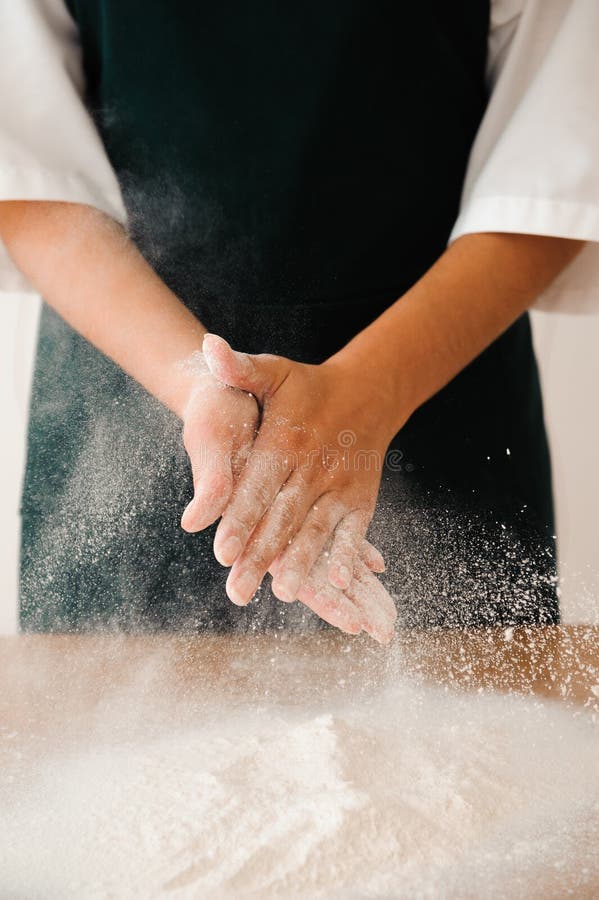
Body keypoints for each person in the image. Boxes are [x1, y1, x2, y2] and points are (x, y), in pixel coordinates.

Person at [1, 0, 597, 637]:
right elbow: (23, 157)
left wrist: (372, 390)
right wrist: (199, 384)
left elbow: (554, 160)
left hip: (433, 389)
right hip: (129, 388)